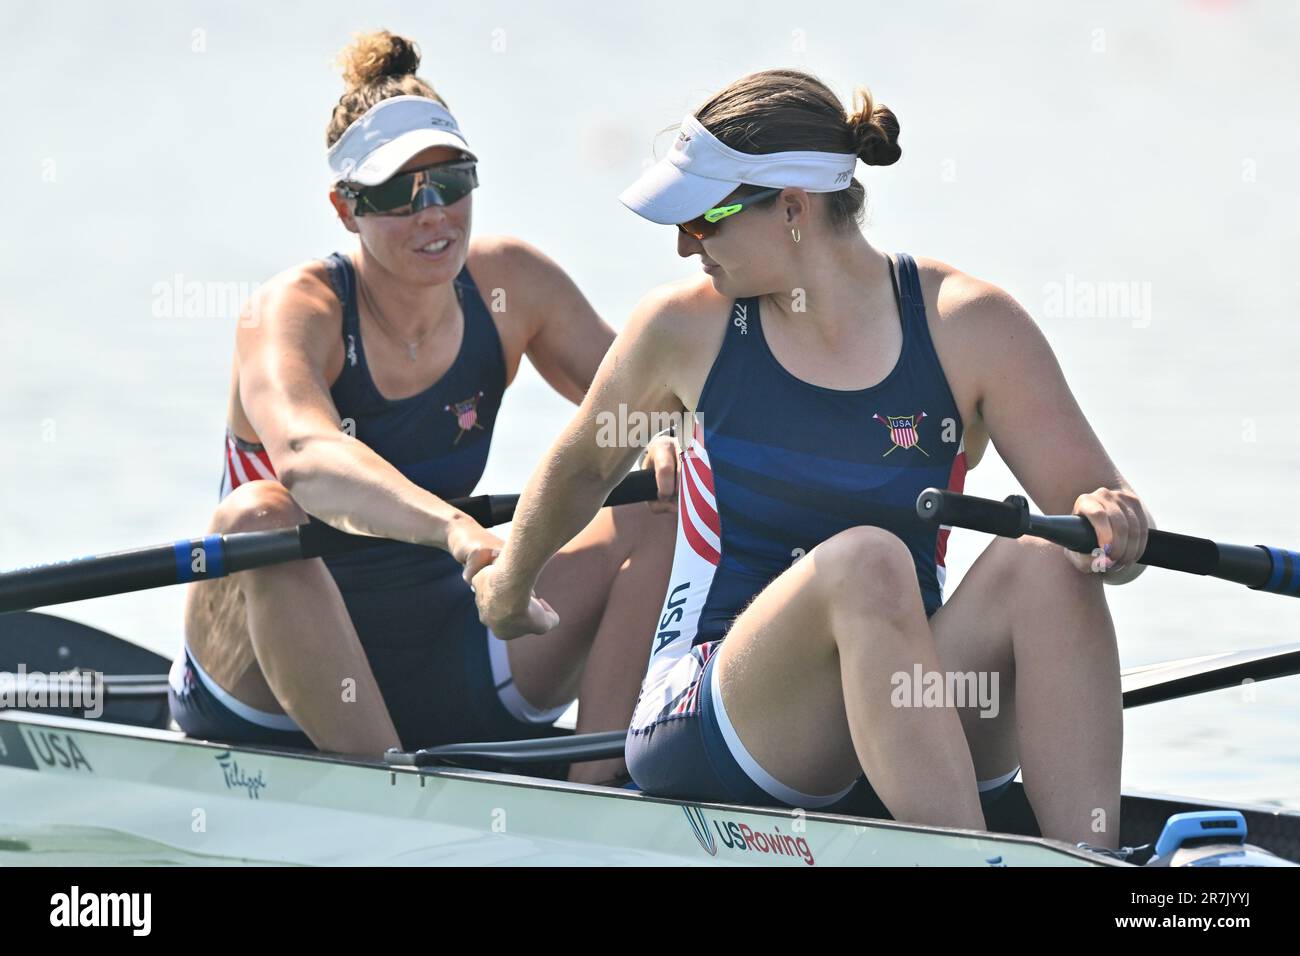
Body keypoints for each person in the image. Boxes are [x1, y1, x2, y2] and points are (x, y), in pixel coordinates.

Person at [473, 69, 1152, 845]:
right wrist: (508, 584)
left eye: (704, 221)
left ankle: (1088, 859)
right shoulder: (683, 331)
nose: (684, 244)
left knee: (1047, 554)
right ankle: (966, 859)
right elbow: (586, 467)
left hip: (905, 704)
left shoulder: (972, 327)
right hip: (712, 714)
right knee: (867, 561)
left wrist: (1110, 527)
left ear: (792, 210)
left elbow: (1105, 539)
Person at [167, 31, 676, 783]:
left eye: (451, 181)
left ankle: (596, 800)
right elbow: (308, 461)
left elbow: (653, 399)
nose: (433, 214)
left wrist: (673, 430)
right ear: (346, 209)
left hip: (455, 653)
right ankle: (395, 796)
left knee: (658, 497)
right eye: (398, 194)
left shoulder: (514, 286)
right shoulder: (294, 313)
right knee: (257, 514)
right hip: (271, 683)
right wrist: (457, 532)